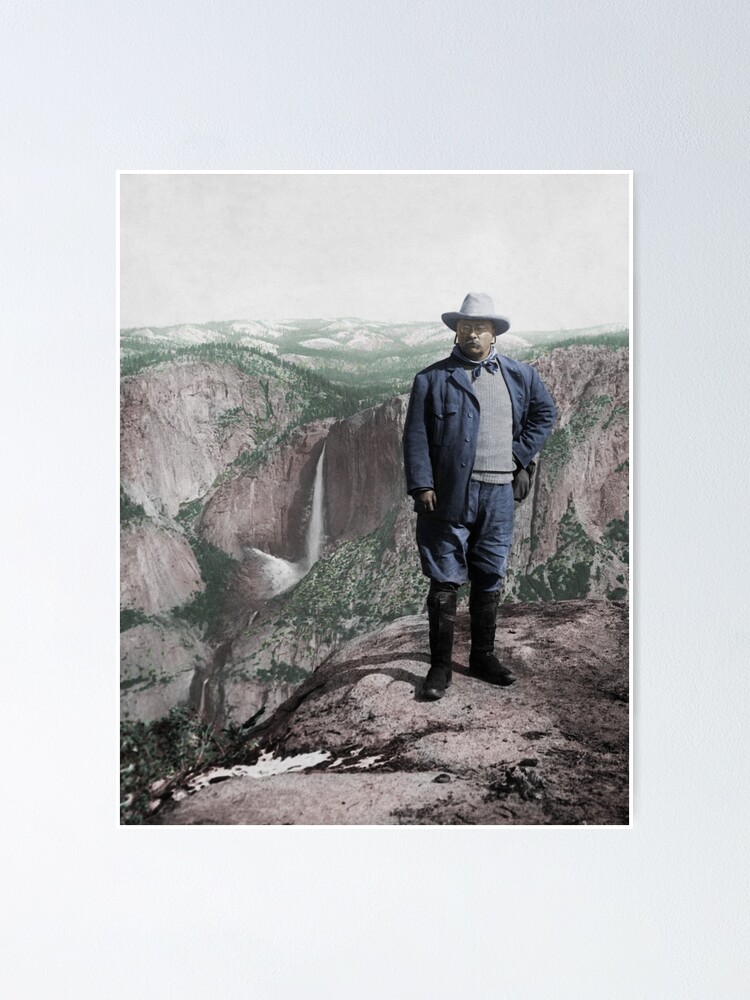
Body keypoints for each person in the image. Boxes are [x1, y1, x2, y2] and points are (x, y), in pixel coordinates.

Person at [402, 292, 557, 700]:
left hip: (499, 493)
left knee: (489, 573)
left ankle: (483, 656)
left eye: (480, 329)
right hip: (449, 494)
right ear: (456, 333)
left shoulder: (520, 376)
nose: (472, 335)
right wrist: (422, 484)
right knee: (445, 577)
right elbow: (415, 436)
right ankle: (439, 667)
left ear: (494, 335)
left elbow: (545, 415)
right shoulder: (431, 379)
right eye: (465, 328)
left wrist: (518, 453)